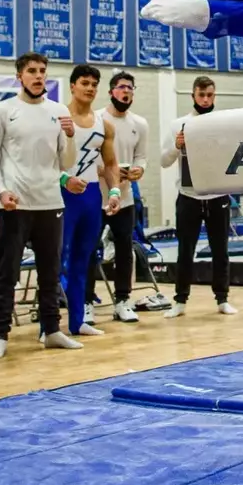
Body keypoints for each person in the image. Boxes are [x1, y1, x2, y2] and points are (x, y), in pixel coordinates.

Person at [0, 52, 81, 358]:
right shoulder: (3, 110)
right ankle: (0, 335)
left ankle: (51, 330)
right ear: (20, 76)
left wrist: (70, 135)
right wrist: (1, 192)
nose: (39, 76)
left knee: (50, 272)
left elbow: (66, 161)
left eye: (42, 71)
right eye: (32, 71)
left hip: (50, 202)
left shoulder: (59, 110)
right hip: (15, 205)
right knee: (6, 274)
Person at [162, 76, 237, 317]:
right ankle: (180, 301)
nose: (205, 99)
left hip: (218, 195)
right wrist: (176, 145)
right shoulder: (178, 124)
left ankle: (222, 299)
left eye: (209, 95)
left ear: (214, 96)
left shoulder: (224, 123)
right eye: (201, 95)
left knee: (220, 250)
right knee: (185, 250)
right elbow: (164, 161)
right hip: (188, 195)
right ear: (193, 95)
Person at [58, 64, 121, 337]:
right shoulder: (58, 117)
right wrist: (64, 180)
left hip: (91, 195)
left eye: (94, 84)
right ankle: (48, 325)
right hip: (61, 195)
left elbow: (110, 163)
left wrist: (115, 191)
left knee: (83, 259)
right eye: (84, 83)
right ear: (72, 86)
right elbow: (45, 161)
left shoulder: (103, 125)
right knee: (56, 260)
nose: (90, 88)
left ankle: (76, 321)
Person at [98, 71, 150, 323]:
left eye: (130, 87)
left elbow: (141, 157)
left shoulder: (139, 123)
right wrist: (107, 171)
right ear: (111, 91)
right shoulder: (97, 118)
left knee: (123, 250)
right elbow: (83, 159)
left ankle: (122, 301)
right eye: (121, 87)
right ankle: (86, 302)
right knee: (89, 250)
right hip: (95, 197)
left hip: (126, 197)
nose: (126, 91)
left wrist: (140, 169)